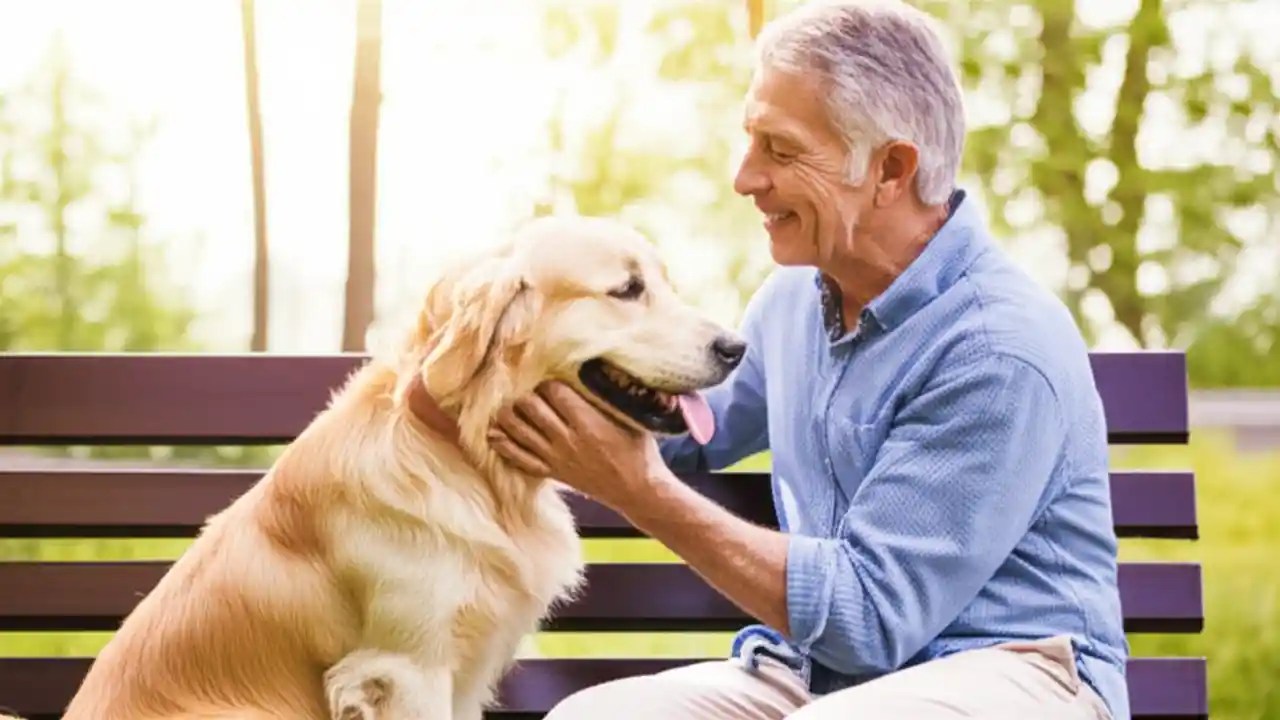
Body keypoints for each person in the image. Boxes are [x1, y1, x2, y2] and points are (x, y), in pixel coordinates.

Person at [483, 1, 1129, 717]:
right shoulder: (797, 297)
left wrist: (640, 492)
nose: (743, 177)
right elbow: (692, 429)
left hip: (1017, 670)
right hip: (821, 679)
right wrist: (502, 363)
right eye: (749, 139)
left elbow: (870, 618)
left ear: (891, 169)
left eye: (779, 149)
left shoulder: (997, 349)